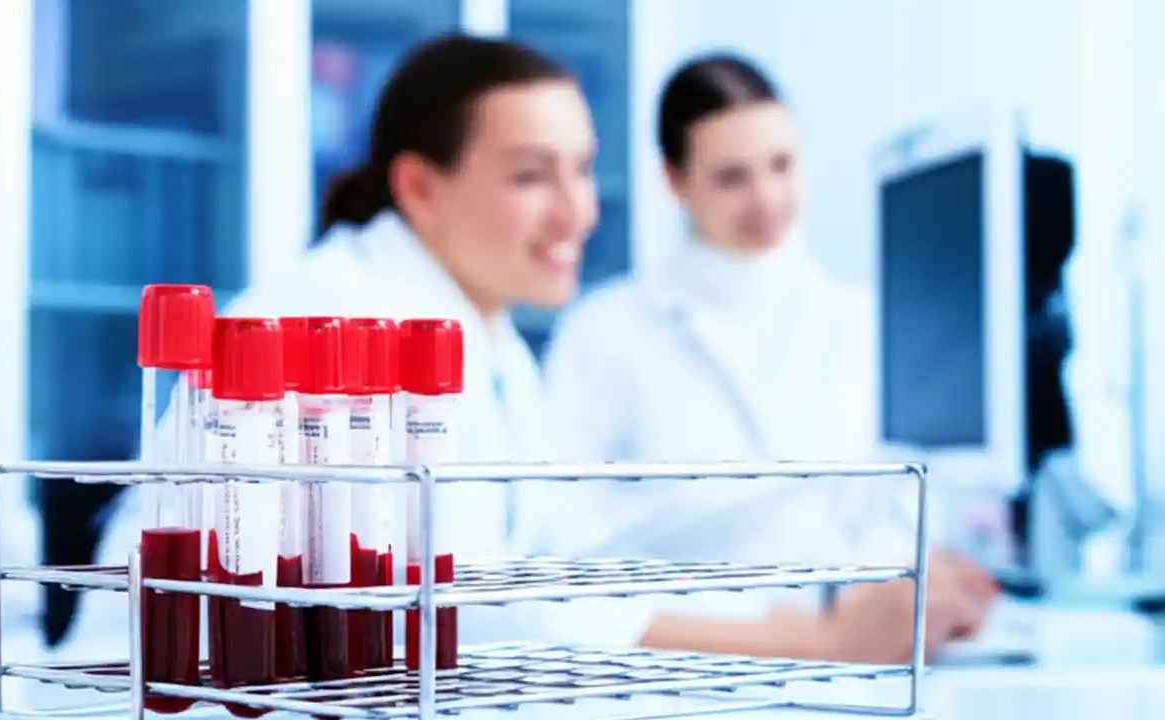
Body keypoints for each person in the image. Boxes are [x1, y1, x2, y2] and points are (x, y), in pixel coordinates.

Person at [53, 33, 597, 656]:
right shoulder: (332, 318)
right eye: (531, 176)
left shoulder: (492, 339)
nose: (577, 212)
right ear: (420, 187)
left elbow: (538, 556)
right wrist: (673, 632)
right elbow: (435, 595)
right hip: (201, 680)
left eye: (582, 169)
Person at [535, 53, 998, 663]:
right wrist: (773, 630)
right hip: (680, 665)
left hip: (857, 661)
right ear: (674, 180)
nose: (766, 198)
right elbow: (559, 546)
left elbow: (899, 513)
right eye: (732, 178)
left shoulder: (862, 322)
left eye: (781, 165)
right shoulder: (604, 333)